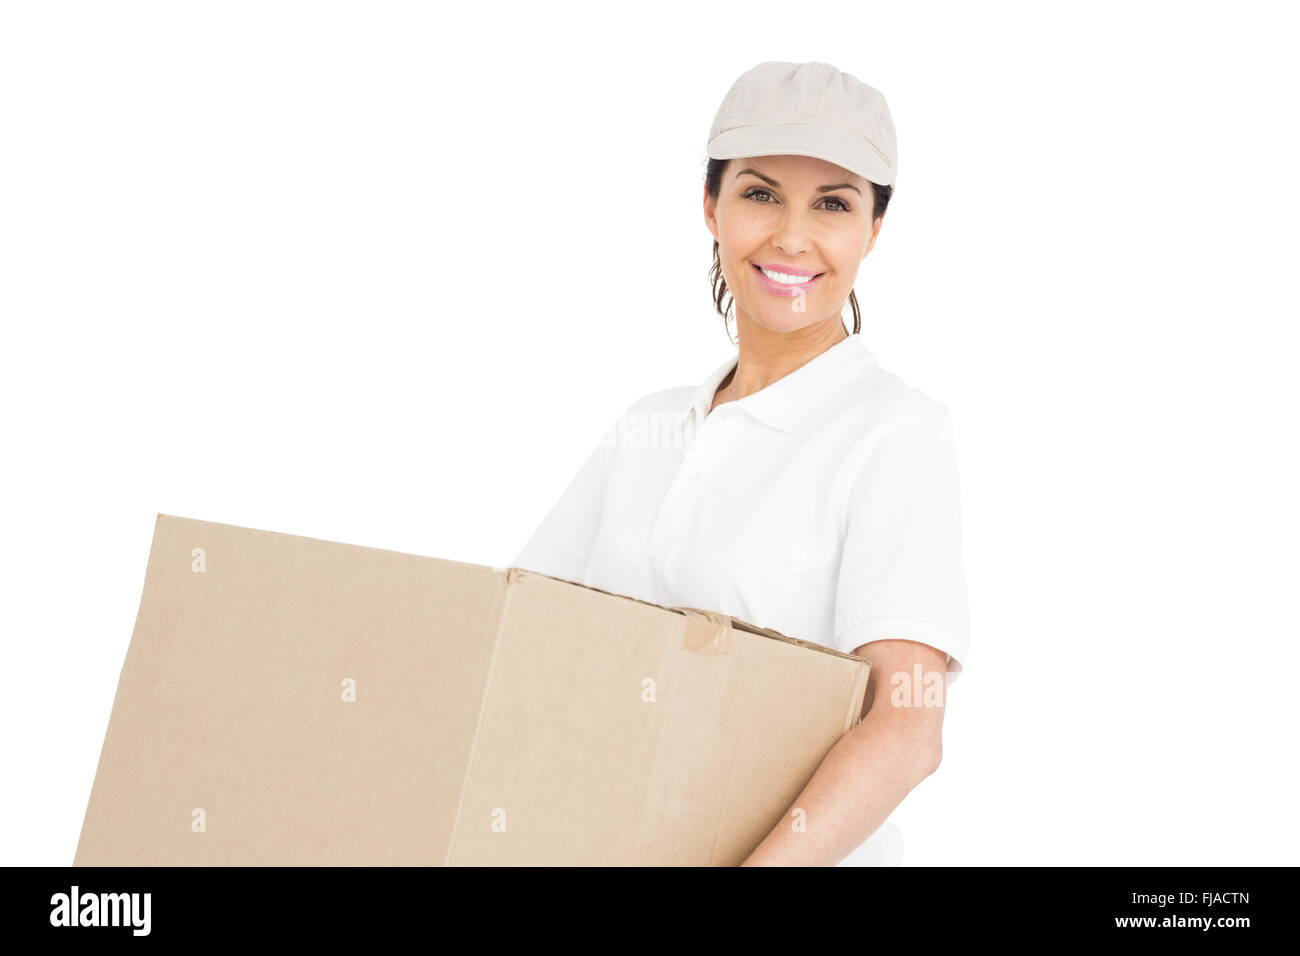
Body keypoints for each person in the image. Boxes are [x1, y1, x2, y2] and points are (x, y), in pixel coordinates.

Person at [511, 61, 971, 867]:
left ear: (874, 231)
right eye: (761, 194)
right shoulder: (649, 425)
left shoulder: (895, 434)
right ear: (710, 206)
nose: (792, 237)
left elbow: (907, 726)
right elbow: (519, 636)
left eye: (833, 204)